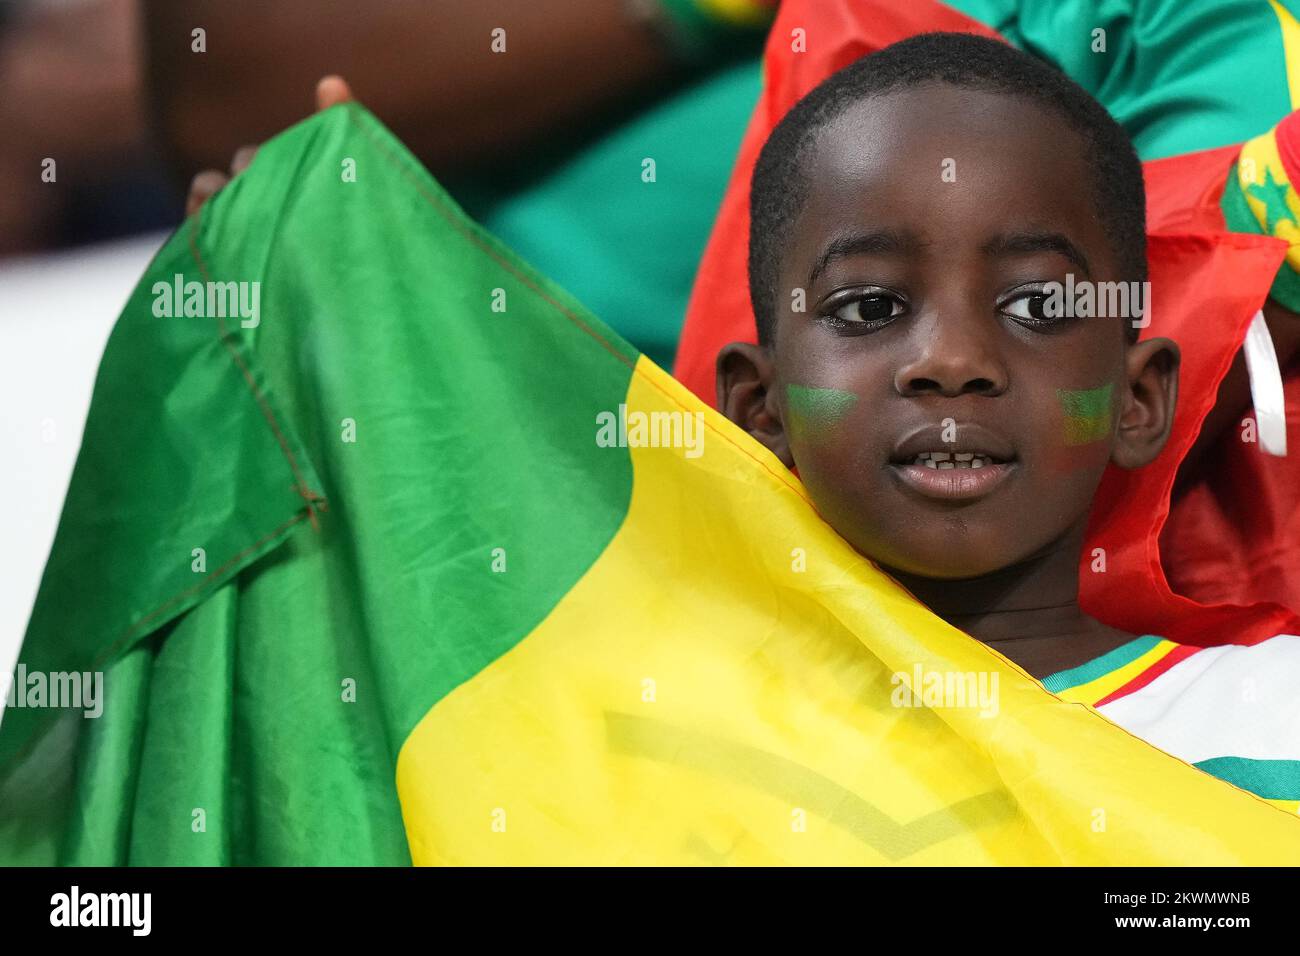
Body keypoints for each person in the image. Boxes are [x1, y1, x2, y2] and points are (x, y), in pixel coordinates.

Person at [717, 32, 1300, 803]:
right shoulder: (642, 740)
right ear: (761, 406)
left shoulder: (1273, 722)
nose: (953, 360)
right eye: (870, 306)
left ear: (1140, 399)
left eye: (1036, 304)